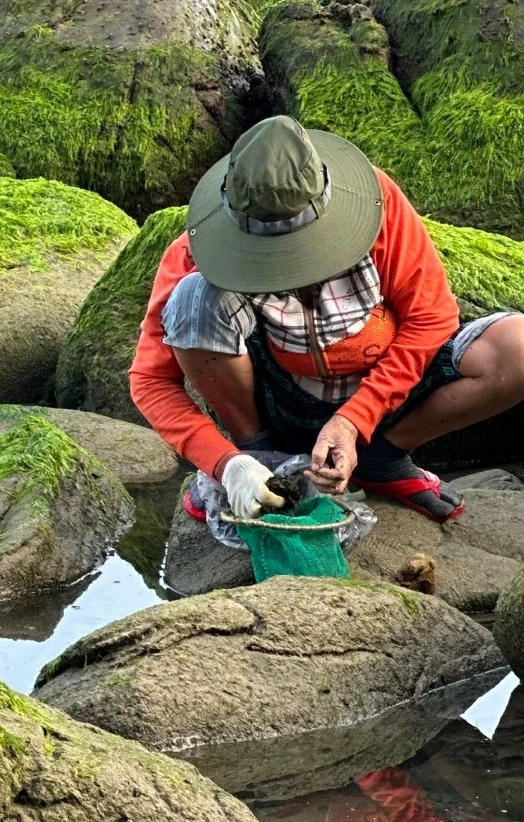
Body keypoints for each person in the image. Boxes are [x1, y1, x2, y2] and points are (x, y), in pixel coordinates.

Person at [130, 115, 524, 525]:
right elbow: (150, 380)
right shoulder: (195, 252)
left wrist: (355, 419)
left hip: (389, 394)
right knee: (193, 299)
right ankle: (259, 452)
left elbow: (432, 318)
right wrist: (227, 464)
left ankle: (382, 458)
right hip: (277, 404)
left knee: (518, 348)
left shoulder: (378, 202)